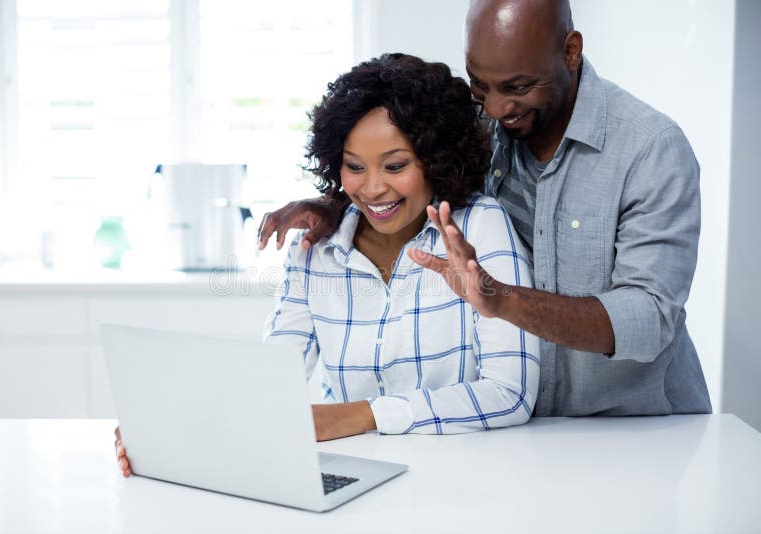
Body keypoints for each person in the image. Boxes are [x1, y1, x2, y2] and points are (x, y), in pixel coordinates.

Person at [258, 0, 712, 417]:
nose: (494, 108)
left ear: (570, 51)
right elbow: (400, 173)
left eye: (517, 86)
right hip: (526, 433)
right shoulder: (484, 125)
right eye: (479, 84)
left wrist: (501, 300)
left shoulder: (648, 149)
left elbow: (648, 318)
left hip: (638, 425)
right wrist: (333, 205)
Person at [115, 53, 539, 477]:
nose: (372, 188)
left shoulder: (480, 228)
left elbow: (510, 393)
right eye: (354, 167)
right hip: (353, 472)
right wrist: (171, 424)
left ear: (435, 159)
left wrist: (361, 416)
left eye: (395, 166)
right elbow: (269, 380)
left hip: (464, 477)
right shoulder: (315, 245)